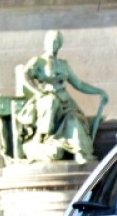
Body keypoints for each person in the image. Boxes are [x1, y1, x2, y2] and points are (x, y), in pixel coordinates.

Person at [14, 30, 108, 164]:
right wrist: (37, 92)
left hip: (65, 102)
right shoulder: (38, 61)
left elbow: (79, 84)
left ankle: (81, 152)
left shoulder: (64, 64)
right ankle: (43, 138)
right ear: (45, 43)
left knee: (74, 120)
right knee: (51, 102)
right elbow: (25, 77)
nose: (53, 45)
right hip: (45, 99)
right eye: (51, 42)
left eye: (56, 42)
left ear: (59, 45)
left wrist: (99, 92)